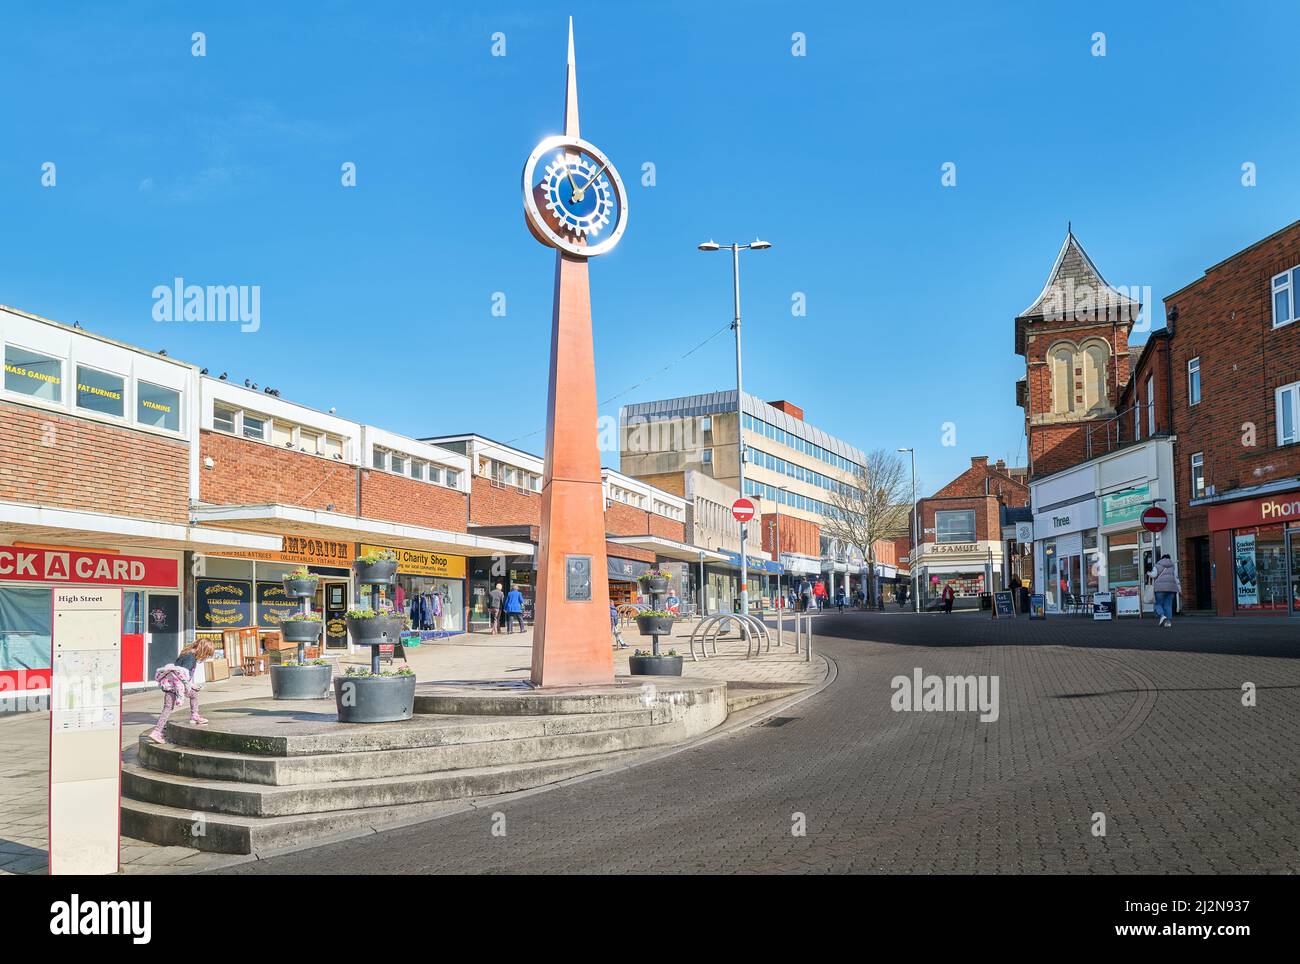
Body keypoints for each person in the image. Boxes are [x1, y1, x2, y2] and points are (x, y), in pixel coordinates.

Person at [148, 638, 215, 742]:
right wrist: (187, 687)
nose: (205, 657)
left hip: (170, 685)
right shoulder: (190, 658)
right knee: (170, 707)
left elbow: (179, 673)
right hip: (176, 686)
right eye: (206, 654)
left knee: (186, 698)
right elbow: (182, 675)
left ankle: (193, 716)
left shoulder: (186, 653)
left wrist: (190, 685)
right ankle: (157, 731)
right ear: (202, 649)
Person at [1152, 553, 1178, 627]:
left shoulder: (1157, 565)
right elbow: (1176, 578)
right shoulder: (1173, 566)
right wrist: (1179, 590)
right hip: (1171, 588)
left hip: (1160, 588)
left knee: (1158, 604)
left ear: (1161, 558)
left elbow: (1154, 575)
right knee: (1168, 605)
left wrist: (1149, 573)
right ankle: (1168, 622)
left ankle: (1162, 616)